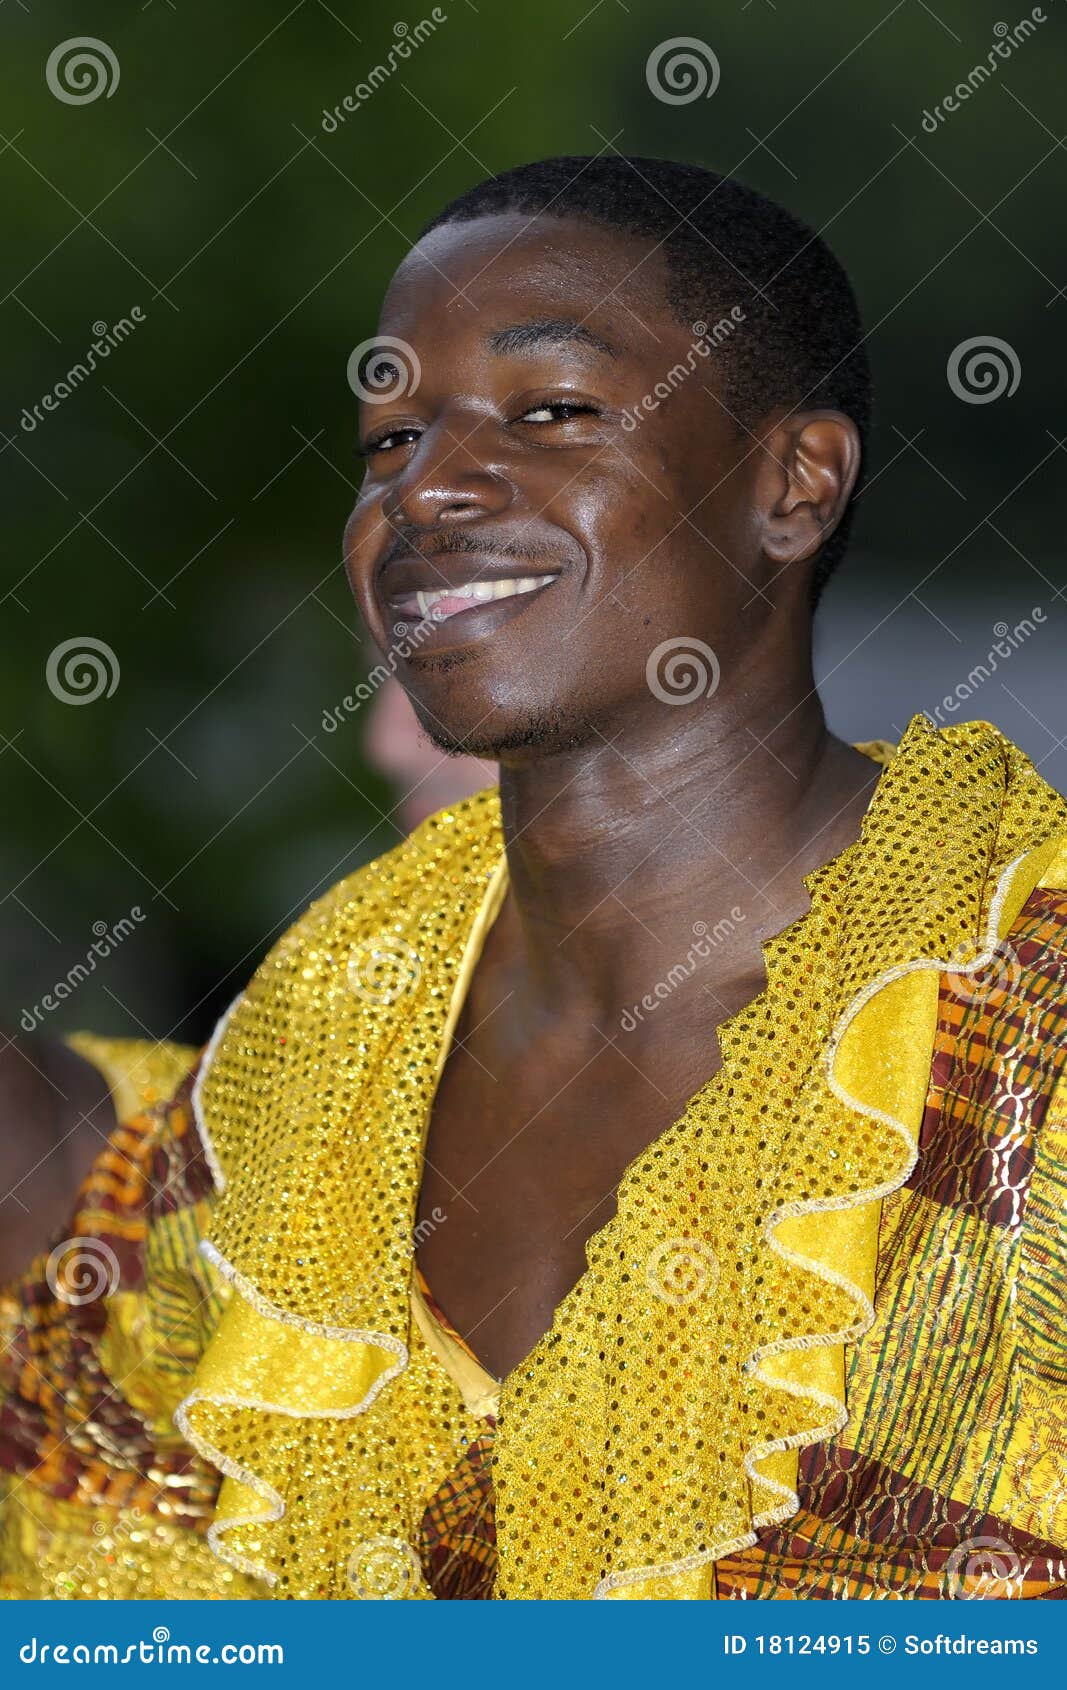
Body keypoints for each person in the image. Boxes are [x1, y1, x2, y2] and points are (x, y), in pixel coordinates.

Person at [2, 155, 1065, 1602]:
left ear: (793, 482)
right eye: (387, 439)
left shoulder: (1024, 1016)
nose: (427, 487)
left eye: (552, 411)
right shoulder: (339, 1015)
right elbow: (116, 1243)